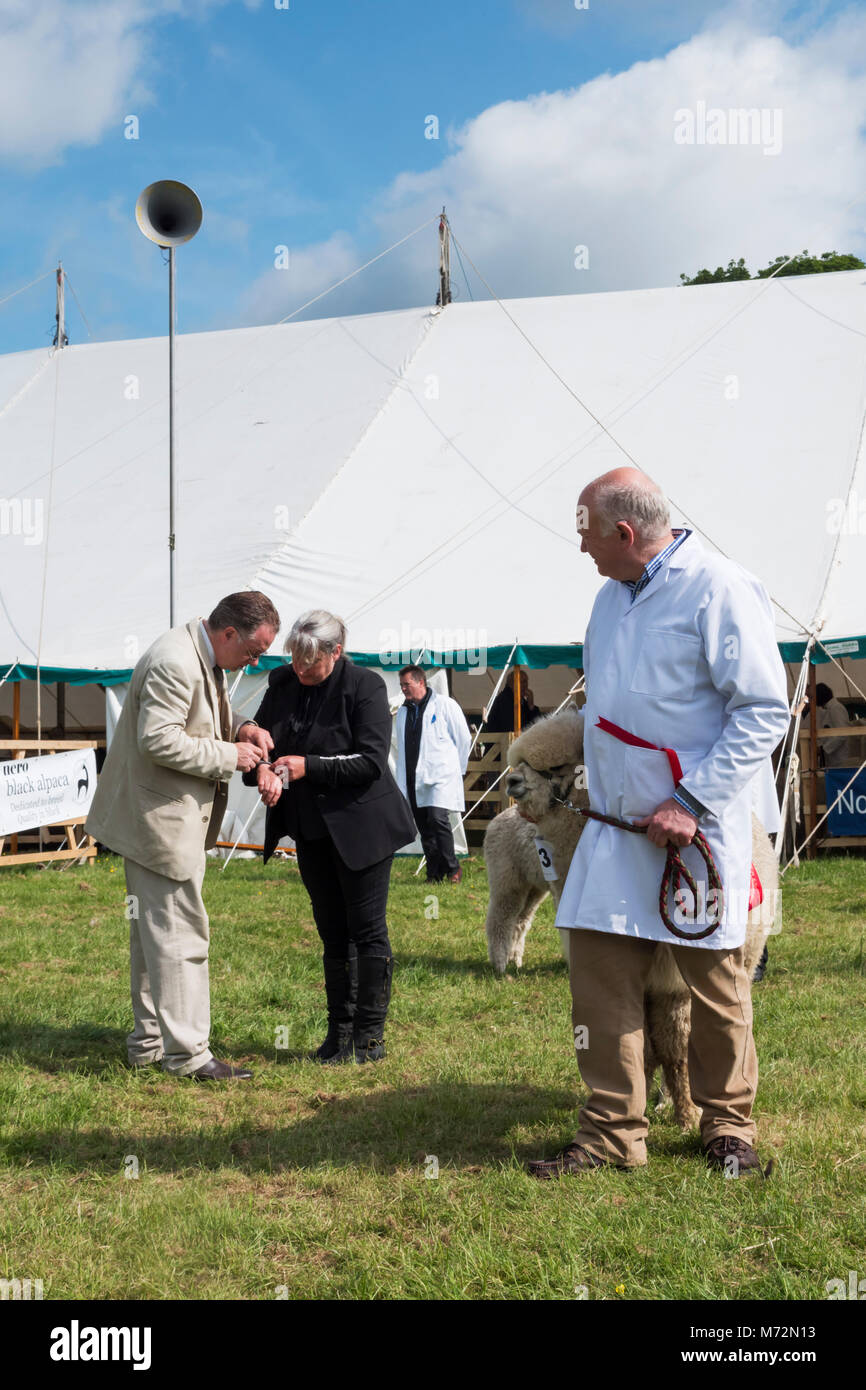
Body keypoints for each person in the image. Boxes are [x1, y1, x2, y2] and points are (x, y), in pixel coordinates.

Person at [527, 468, 790, 1180]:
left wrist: (693, 799)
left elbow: (764, 710)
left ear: (623, 532)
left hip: (694, 835)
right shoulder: (608, 601)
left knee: (716, 987)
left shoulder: (720, 588)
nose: (582, 552)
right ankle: (612, 1131)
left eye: (588, 538)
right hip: (613, 836)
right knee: (601, 983)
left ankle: (728, 1126)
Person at [85, 592, 279, 1080]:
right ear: (228, 632)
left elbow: (206, 713)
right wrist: (228, 756)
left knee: (155, 938)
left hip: (161, 819)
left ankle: (149, 1044)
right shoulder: (174, 660)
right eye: (253, 651)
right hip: (160, 824)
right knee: (180, 937)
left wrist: (244, 728)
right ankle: (189, 1056)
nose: (255, 661)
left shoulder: (200, 652)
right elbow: (159, 738)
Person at [247, 611, 416, 1063]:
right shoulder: (283, 683)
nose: (301, 670)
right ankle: (338, 1034)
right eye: (296, 661)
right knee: (331, 934)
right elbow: (264, 744)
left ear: (335, 652)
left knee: (366, 931)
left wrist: (309, 767)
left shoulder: (365, 686)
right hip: (310, 829)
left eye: (311, 662)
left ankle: (369, 1038)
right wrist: (265, 768)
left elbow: (370, 761)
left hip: (362, 828)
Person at [394, 665, 472, 883]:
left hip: (440, 775)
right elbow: (401, 745)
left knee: (438, 820)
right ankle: (434, 873)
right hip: (413, 776)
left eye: (406, 684)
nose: (403, 689)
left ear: (421, 682)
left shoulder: (445, 705)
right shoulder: (403, 711)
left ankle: (452, 867)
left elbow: (463, 739)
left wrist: (459, 768)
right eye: (401, 685)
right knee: (424, 827)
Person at [815, 682, 852, 767]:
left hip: (840, 759)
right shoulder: (828, 709)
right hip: (832, 758)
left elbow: (842, 734)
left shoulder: (836, 708)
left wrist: (823, 749)